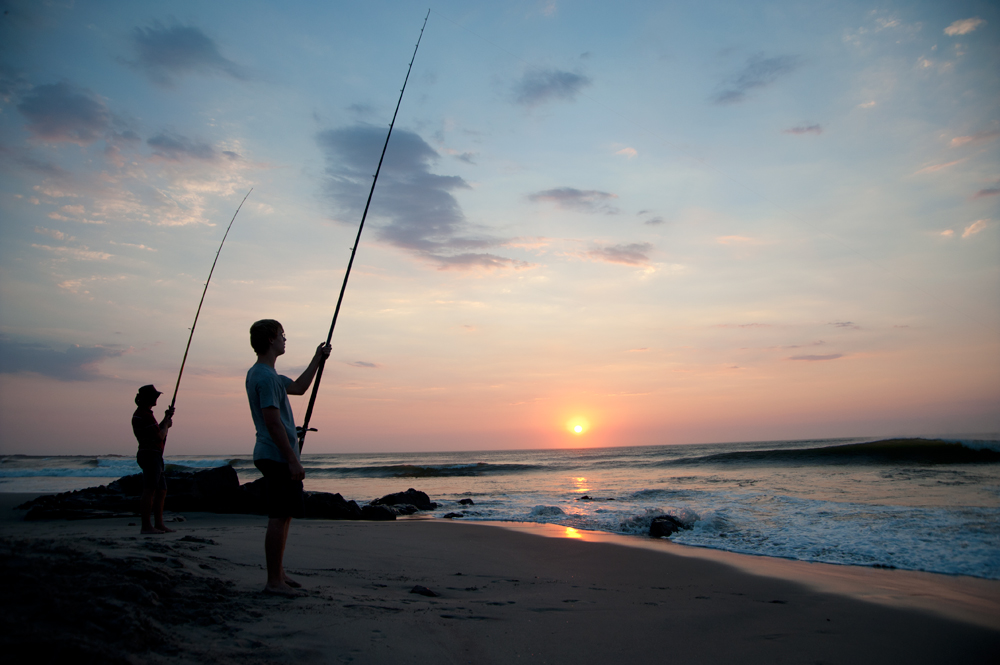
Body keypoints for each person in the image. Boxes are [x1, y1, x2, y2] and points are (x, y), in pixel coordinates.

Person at [246, 319, 331, 595]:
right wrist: (292, 459)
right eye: (282, 335)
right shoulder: (266, 378)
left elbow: (299, 387)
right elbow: (273, 423)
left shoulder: (267, 375)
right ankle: (273, 581)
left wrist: (318, 359)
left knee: (284, 516)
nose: (285, 339)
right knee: (278, 515)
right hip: (276, 455)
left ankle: (279, 573)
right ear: (271, 339)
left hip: (275, 454)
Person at [132, 384, 175, 534]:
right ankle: (146, 526)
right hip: (150, 455)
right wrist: (167, 426)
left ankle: (159, 524)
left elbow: (157, 430)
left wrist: (166, 418)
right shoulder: (143, 415)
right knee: (149, 490)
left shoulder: (145, 414)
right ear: (147, 398)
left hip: (154, 454)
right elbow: (159, 436)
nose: (156, 398)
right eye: (154, 396)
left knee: (161, 490)